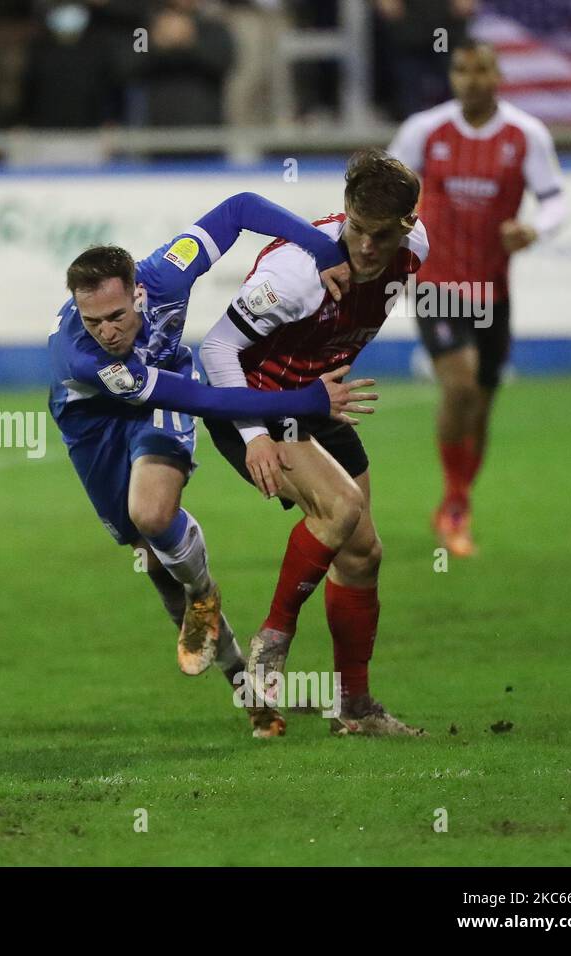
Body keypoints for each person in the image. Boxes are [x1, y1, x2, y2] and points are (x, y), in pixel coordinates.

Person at [49, 192, 374, 735]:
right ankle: (247, 690)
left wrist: (321, 248)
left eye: (116, 315)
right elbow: (211, 403)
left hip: (164, 393)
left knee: (153, 515)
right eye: (93, 320)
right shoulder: (88, 358)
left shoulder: (168, 271)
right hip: (92, 426)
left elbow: (240, 209)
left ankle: (202, 596)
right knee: (155, 562)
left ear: (140, 292)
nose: (107, 331)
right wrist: (306, 401)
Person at [198, 151, 429, 738]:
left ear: (407, 224)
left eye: (382, 236)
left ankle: (354, 710)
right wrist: (253, 438)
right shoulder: (296, 275)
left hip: (317, 399)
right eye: (357, 230)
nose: (367, 248)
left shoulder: (415, 250)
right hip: (248, 401)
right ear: (345, 212)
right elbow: (217, 351)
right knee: (342, 506)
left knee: (363, 554)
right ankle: (271, 642)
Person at [388, 41, 565, 556]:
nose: (471, 79)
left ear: (498, 76)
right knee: (461, 388)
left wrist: (534, 230)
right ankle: (457, 507)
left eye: (481, 69)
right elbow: (382, 185)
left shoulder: (526, 135)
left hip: (493, 288)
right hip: (436, 281)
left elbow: (554, 199)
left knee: (483, 405)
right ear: (452, 76)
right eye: (461, 70)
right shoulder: (424, 130)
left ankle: (455, 499)